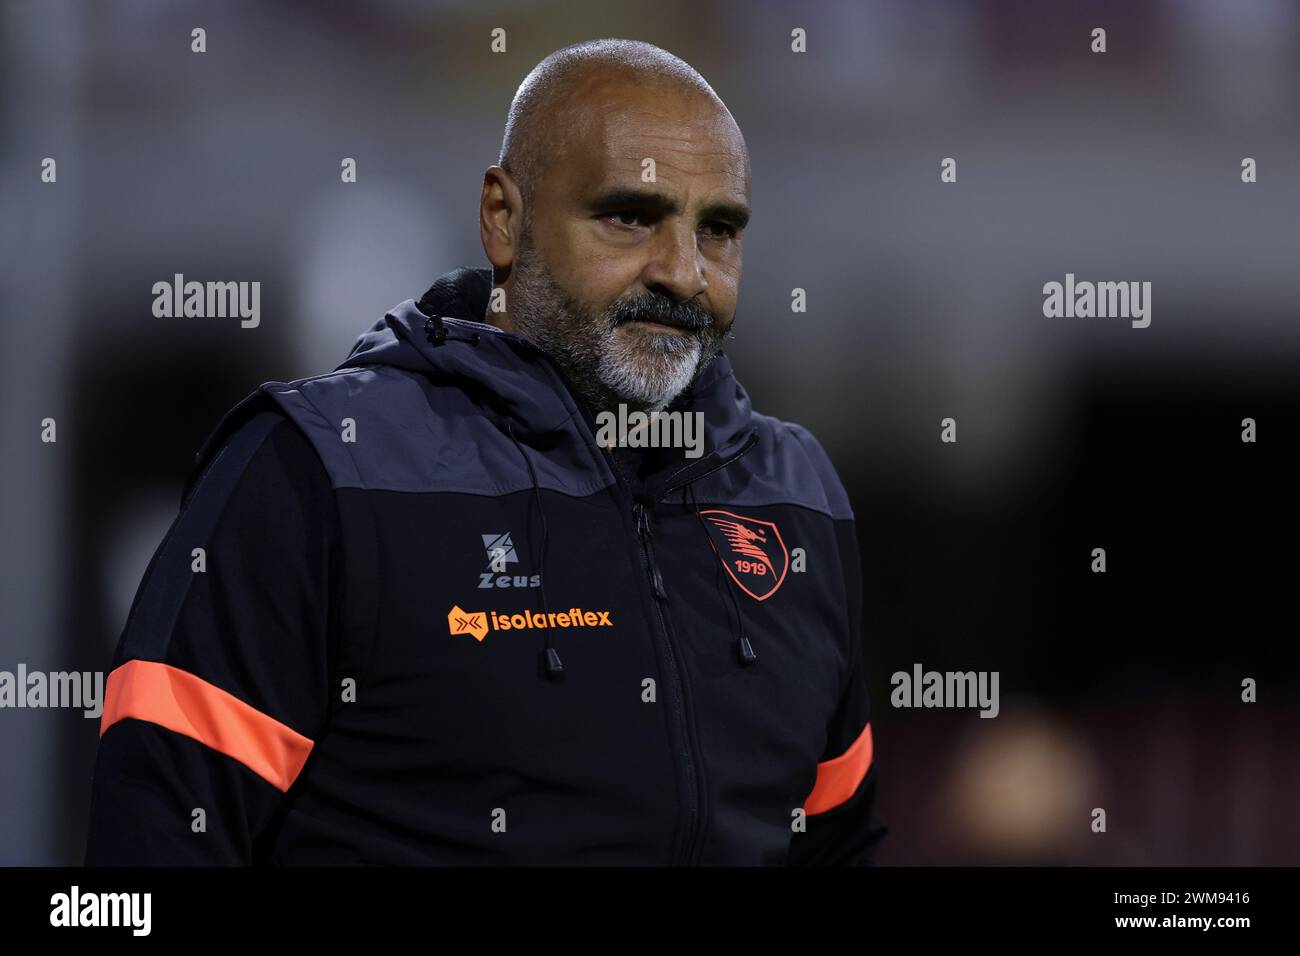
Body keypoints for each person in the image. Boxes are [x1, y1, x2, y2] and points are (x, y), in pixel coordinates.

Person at [85, 38, 885, 865]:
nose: (683, 272)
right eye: (630, 216)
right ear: (504, 219)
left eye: (718, 230)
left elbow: (839, 847)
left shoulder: (798, 498)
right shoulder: (316, 474)